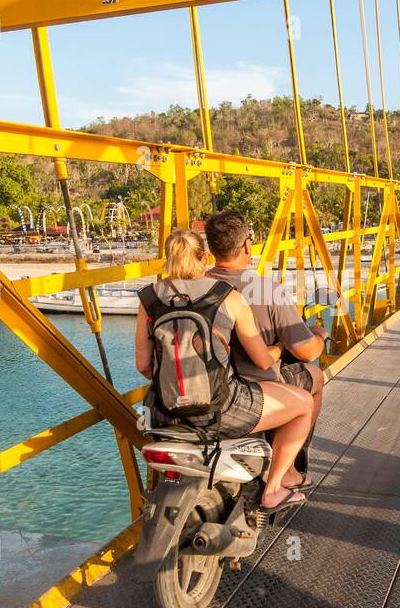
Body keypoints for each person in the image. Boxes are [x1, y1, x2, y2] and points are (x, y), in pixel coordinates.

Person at [135, 229, 312, 510]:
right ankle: (275, 489)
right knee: (304, 404)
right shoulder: (226, 296)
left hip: (162, 411)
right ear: (204, 258)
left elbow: (143, 365)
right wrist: (280, 348)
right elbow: (263, 361)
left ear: (167, 259)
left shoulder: (149, 299)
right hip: (220, 409)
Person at [203, 211, 326, 488]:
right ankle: (287, 469)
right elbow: (307, 352)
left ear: (211, 248)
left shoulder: (198, 287)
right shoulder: (266, 289)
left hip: (204, 390)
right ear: (246, 246)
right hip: (253, 391)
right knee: (315, 377)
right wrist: (319, 336)